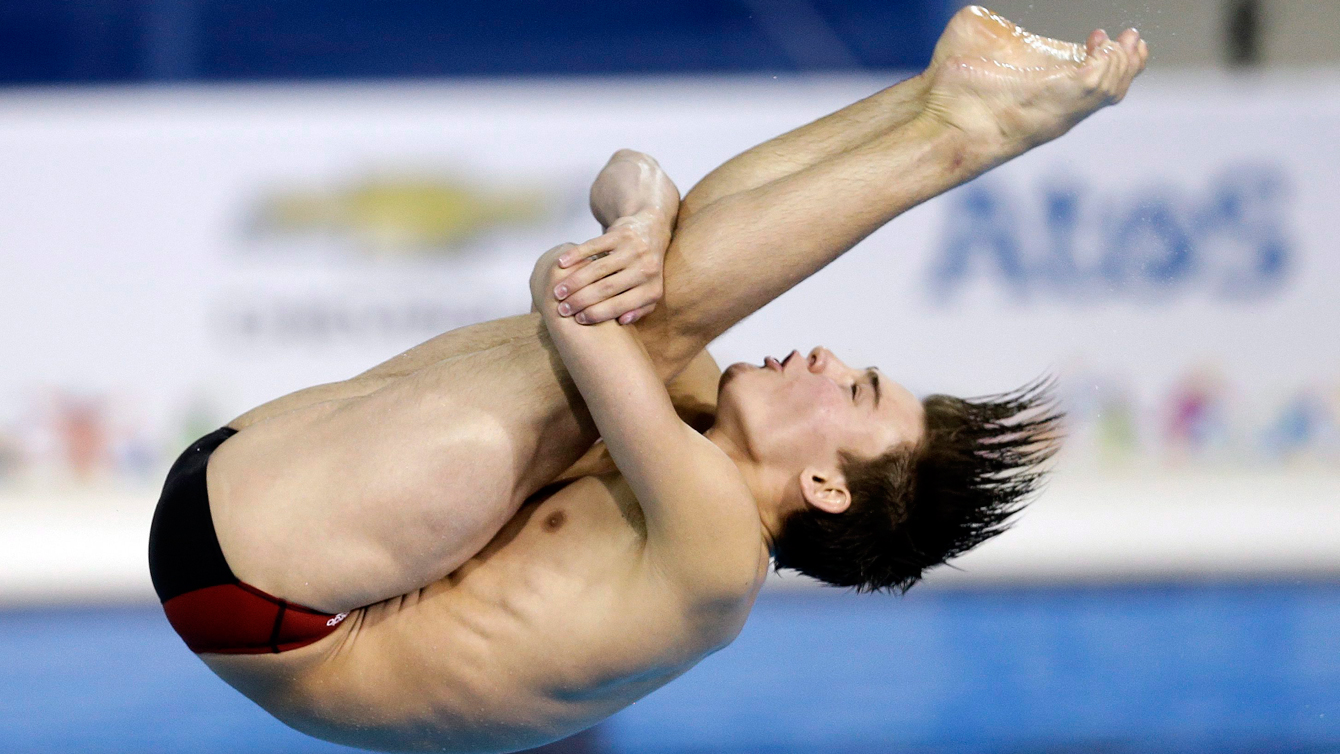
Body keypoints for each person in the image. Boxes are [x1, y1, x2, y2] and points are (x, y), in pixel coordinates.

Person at [148, 8, 1147, 752]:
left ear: (825, 487)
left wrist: (623, 241)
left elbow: (571, 296)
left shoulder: (718, 562)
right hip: (254, 496)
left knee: (649, 310)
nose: (828, 360)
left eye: (854, 392)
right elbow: (628, 181)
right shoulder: (692, 411)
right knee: (662, 290)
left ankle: (964, 133)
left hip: (270, 590)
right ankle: (926, 94)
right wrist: (641, 214)